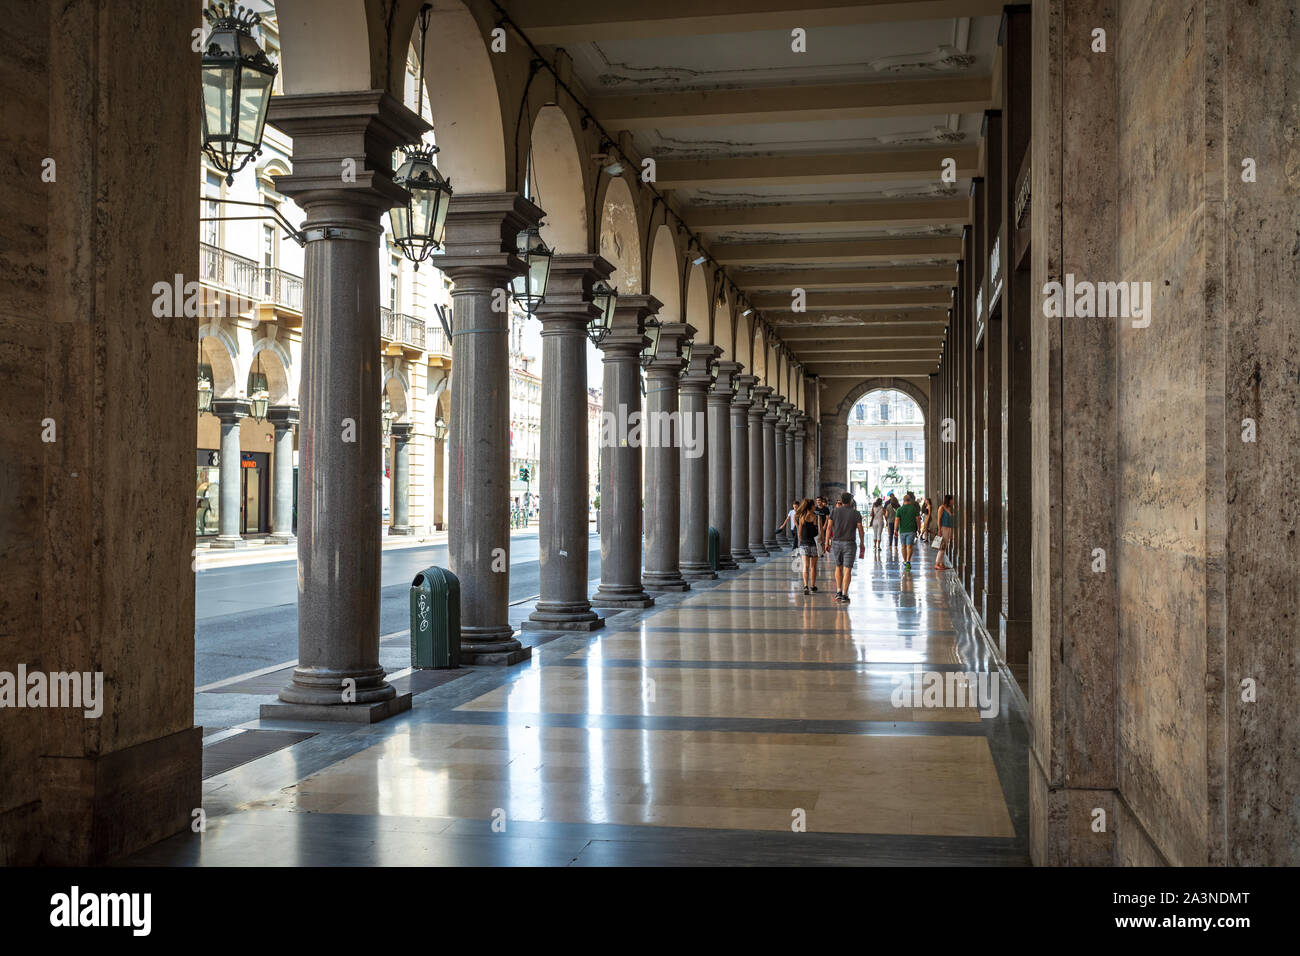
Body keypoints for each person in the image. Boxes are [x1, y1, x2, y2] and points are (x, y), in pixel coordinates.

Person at [825, 492, 866, 604]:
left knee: (838, 567)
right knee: (847, 569)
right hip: (849, 543)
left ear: (841, 501)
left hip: (837, 543)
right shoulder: (856, 513)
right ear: (851, 501)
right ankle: (844, 594)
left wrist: (826, 542)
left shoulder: (834, 511)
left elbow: (829, 528)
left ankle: (838, 591)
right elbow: (860, 530)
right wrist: (862, 543)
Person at [794, 498, 822, 594]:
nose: (815, 507)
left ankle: (806, 586)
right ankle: (812, 586)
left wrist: (801, 542)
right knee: (813, 567)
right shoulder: (817, 518)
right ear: (811, 507)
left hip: (804, 544)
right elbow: (820, 533)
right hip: (814, 544)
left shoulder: (801, 517)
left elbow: (800, 533)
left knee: (805, 566)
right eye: (814, 505)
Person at [894, 491, 921, 571]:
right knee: (909, 546)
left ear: (903, 500)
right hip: (911, 530)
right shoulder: (914, 509)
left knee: (903, 546)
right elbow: (918, 519)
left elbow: (897, 520)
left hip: (902, 530)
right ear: (910, 500)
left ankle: (905, 561)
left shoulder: (899, 509)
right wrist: (919, 528)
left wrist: (895, 530)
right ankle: (908, 561)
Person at [935, 494, 956, 570]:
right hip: (943, 528)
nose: (953, 501)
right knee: (942, 547)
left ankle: (941, 563)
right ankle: (937, 563)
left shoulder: (950, 508)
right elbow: (939, 519)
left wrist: (952, 532)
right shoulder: (941, 508)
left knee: (944, 546)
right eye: (952, 500)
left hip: (948, 528)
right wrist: (939, 530)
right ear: (949, 500)